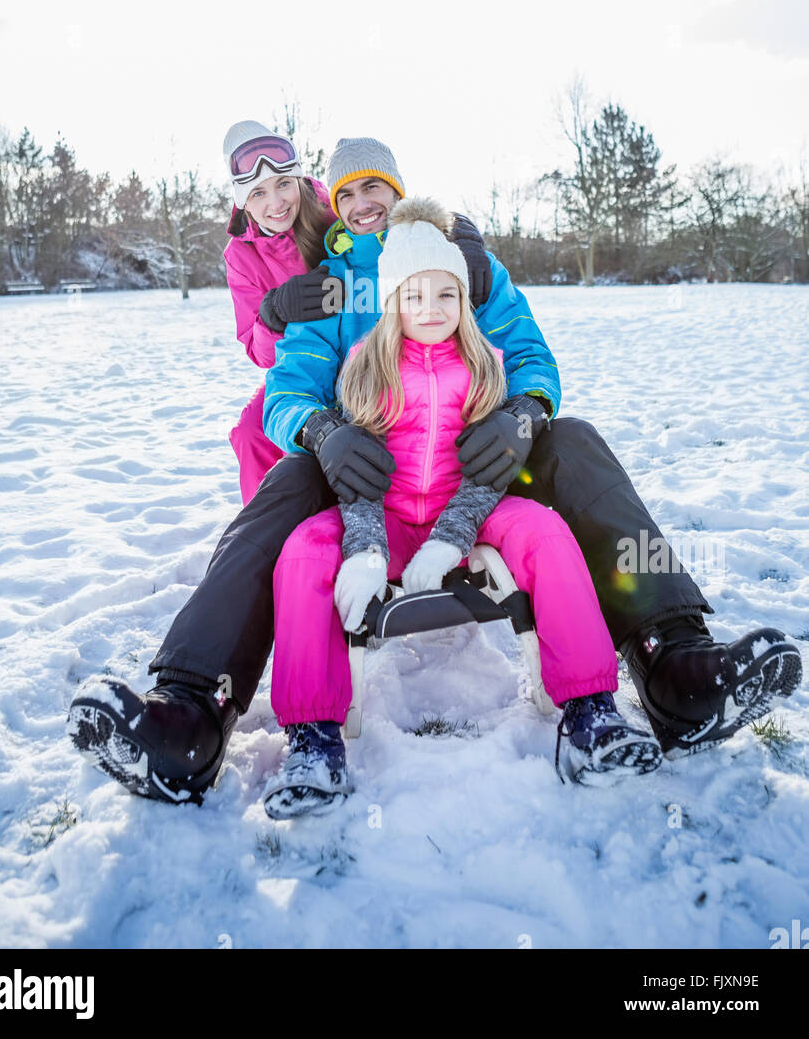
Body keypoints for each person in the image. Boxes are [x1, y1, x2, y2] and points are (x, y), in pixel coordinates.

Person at [68, 136, 801, 804]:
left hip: (481, 461)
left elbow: (528, 352)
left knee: (574, 440)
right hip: (364, 472)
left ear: (400, 193)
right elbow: (287, 388)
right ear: (336, 206)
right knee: (285, 488)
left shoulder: (466, 268)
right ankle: (192, 708)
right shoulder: (332, 284)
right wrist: (320, 430)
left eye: (376, 189)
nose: (364, 204)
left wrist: (526, 413)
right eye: (348, 193)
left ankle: (673, 660)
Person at [263, 199, 663, 818]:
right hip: (388, 517)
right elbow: (357, 478)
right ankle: (314, 740)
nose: (430, 309)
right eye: (414, 295)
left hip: (468, 514)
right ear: (393, 300)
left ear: (464, 299)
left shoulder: (484, 370)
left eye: (446, 295)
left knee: (547, 533)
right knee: (304, 551)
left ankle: (591, 714)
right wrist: (366, 549)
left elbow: (486, 477)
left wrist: (452, 539)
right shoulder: (363, 373)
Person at [221, 120, 335, 504]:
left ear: (299, 180)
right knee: (252, 432)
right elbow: (260, 353)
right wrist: (273, 316)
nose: (276, 203)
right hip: (299, 368)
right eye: (258, 193)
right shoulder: (241, 256)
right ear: (242, 201)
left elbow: (386, 215)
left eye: (283, 184)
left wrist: (452, 233)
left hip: (361, 354)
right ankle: (264, 530)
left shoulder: (334, 212)